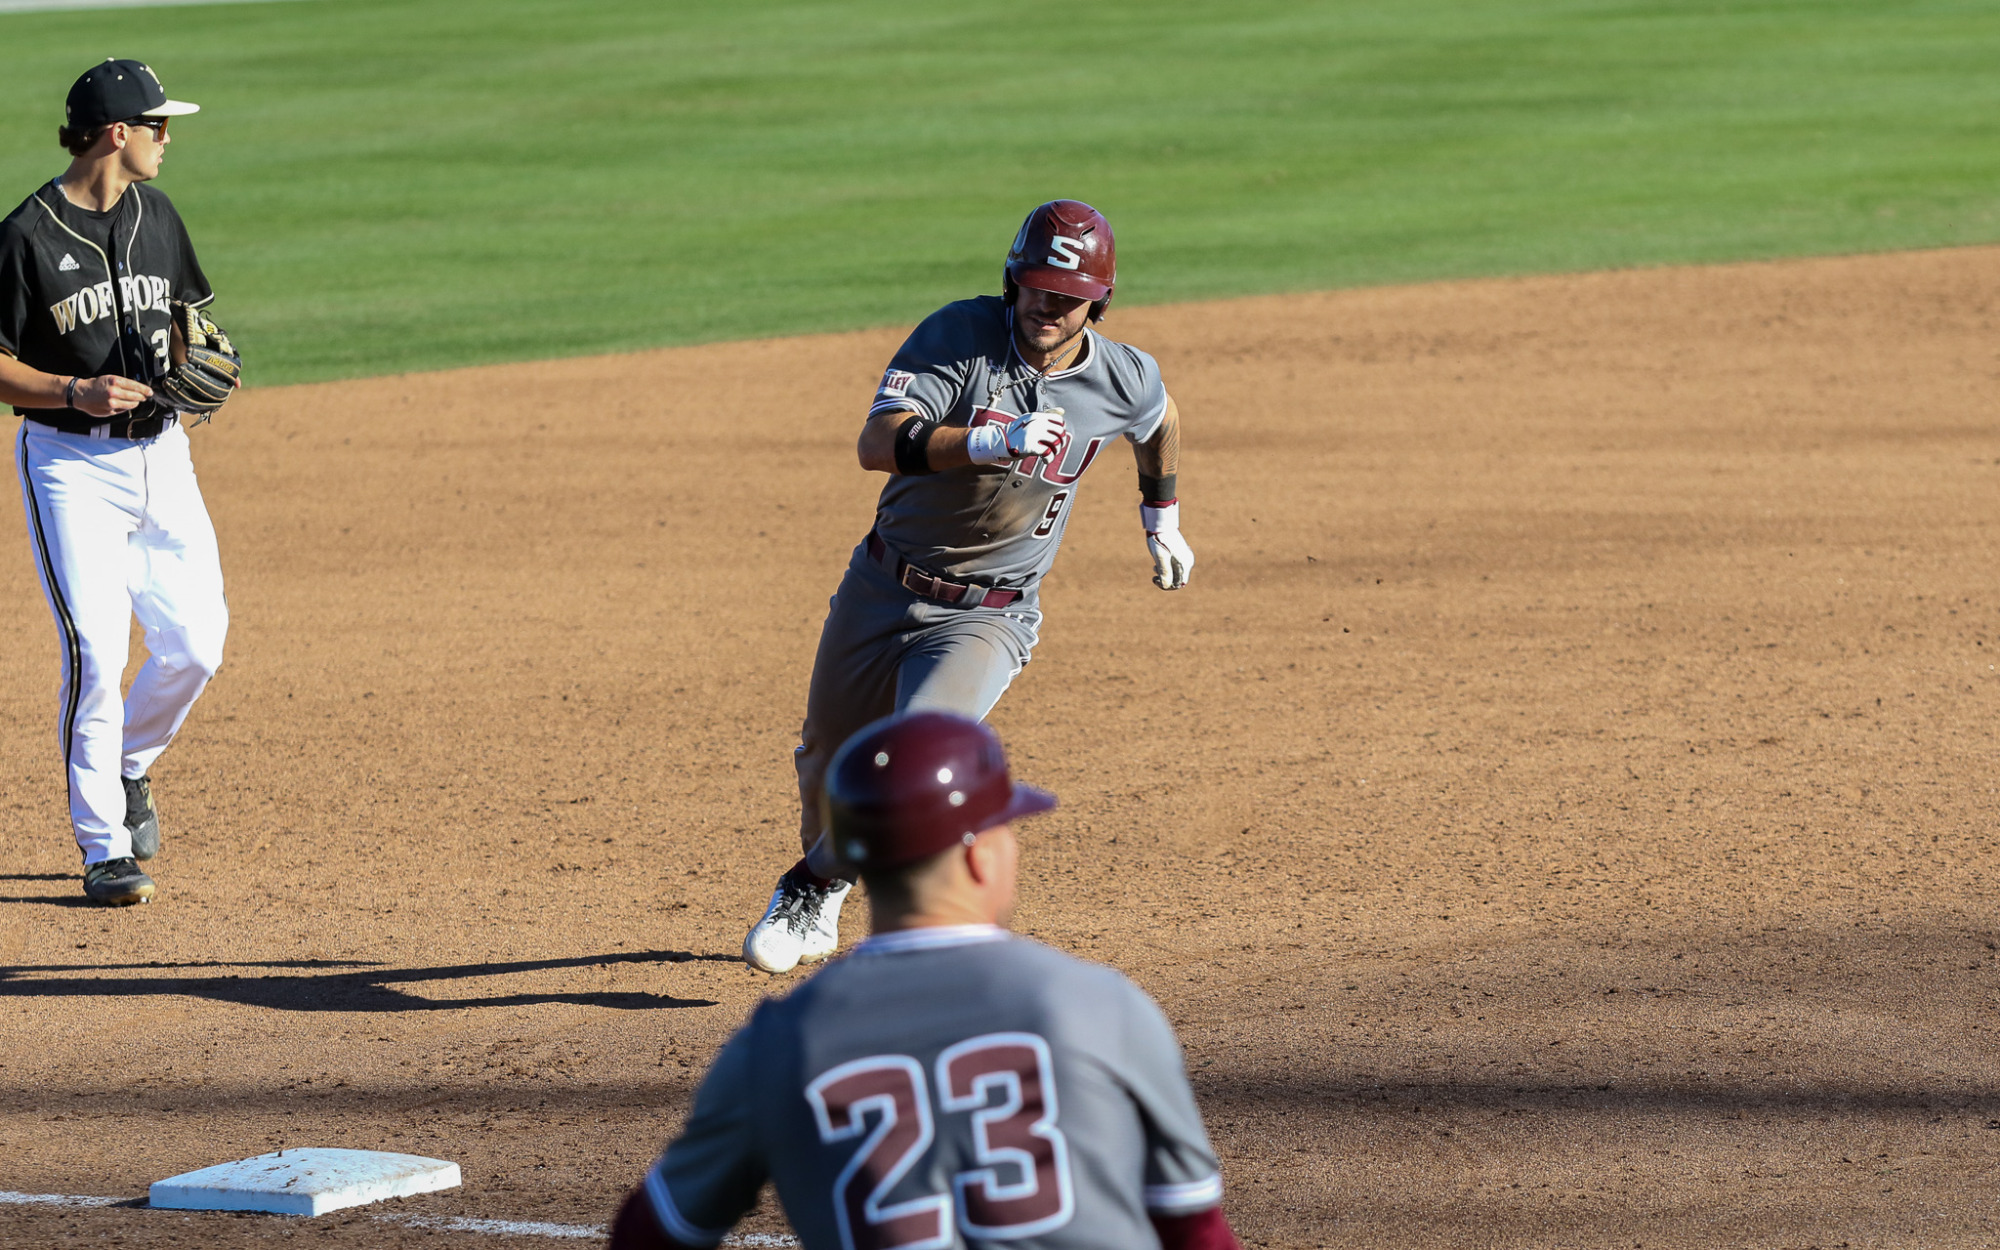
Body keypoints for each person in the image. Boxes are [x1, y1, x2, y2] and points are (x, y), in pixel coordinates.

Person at [744, 199, 1196, 973]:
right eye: (1035, 286)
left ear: (1101, 300)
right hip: (881, 585)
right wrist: (987, 440)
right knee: (828, 758)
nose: (1047, 306)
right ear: (1011, 279)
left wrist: (1162, 515)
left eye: (1068, 295)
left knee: (907, 759)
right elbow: (876, 442)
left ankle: (812, 885)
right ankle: (832, 878)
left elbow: (1159, 421)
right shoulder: (957, 335)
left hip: (989, 614)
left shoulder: (1122, 377)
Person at [612, 711, 1241, 1250]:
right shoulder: (1097, 1005)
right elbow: (1194, 1231)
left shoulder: (776, 1045)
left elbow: (652, 1233)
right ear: (978, 854)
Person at [0, 59, 235, 905]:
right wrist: (71, 389)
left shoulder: (159, 215)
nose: (168, 139)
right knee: (95, 654)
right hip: (70, 467)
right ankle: (103, 847)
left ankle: (129, 762)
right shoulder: (24, 236)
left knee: (197, 644)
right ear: (116, 133)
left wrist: (203, 362)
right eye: (158, 125)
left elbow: (191, 324)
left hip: (164, 457)